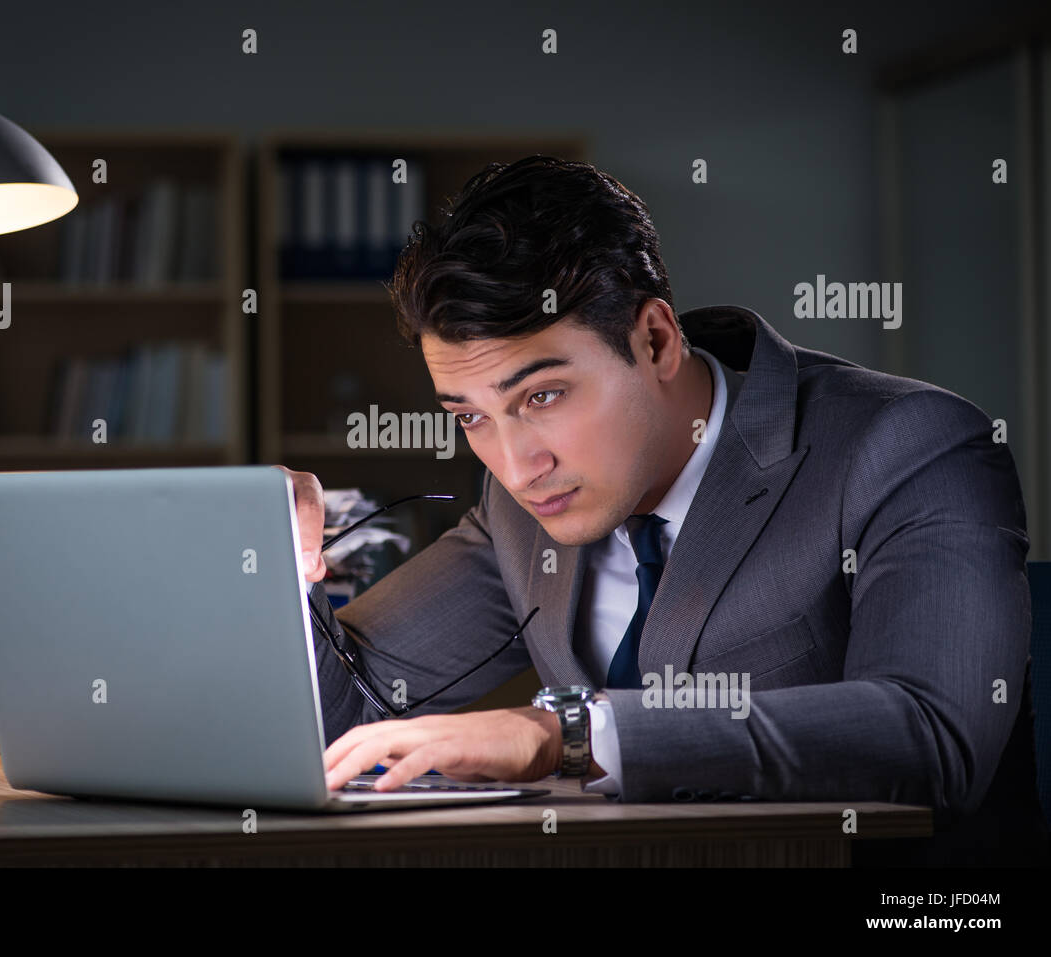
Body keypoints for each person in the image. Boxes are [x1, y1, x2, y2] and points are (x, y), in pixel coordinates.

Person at [279, 155, 1047, 866]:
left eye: (541, 396)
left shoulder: (907, 443)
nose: (516, 464)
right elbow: (343, 717)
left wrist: (567, 735)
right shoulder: (523, 507)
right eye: (471, 416)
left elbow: (933, 736)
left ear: (654, 339)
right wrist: (261, 556)